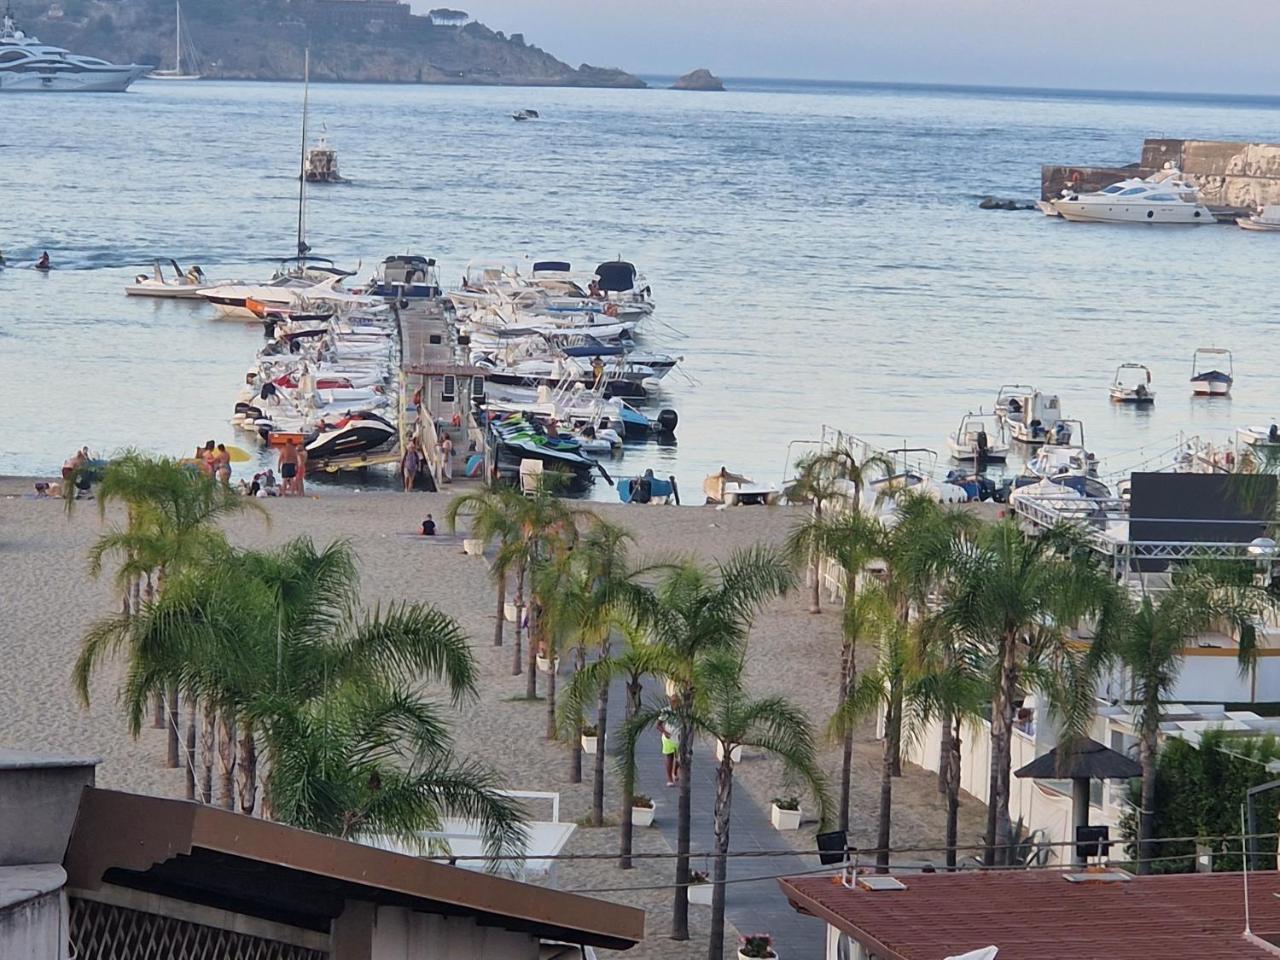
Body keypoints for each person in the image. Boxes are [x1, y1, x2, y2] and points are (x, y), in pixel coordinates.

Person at [657, 708, 680, 787]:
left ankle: (675, 771)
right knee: (669, 757)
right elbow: (658, 725)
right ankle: (670, 779)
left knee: (679, 759)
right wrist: (665, 732)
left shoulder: (684, 711)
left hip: (680, 738)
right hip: (669, 738)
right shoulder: (666, 711)